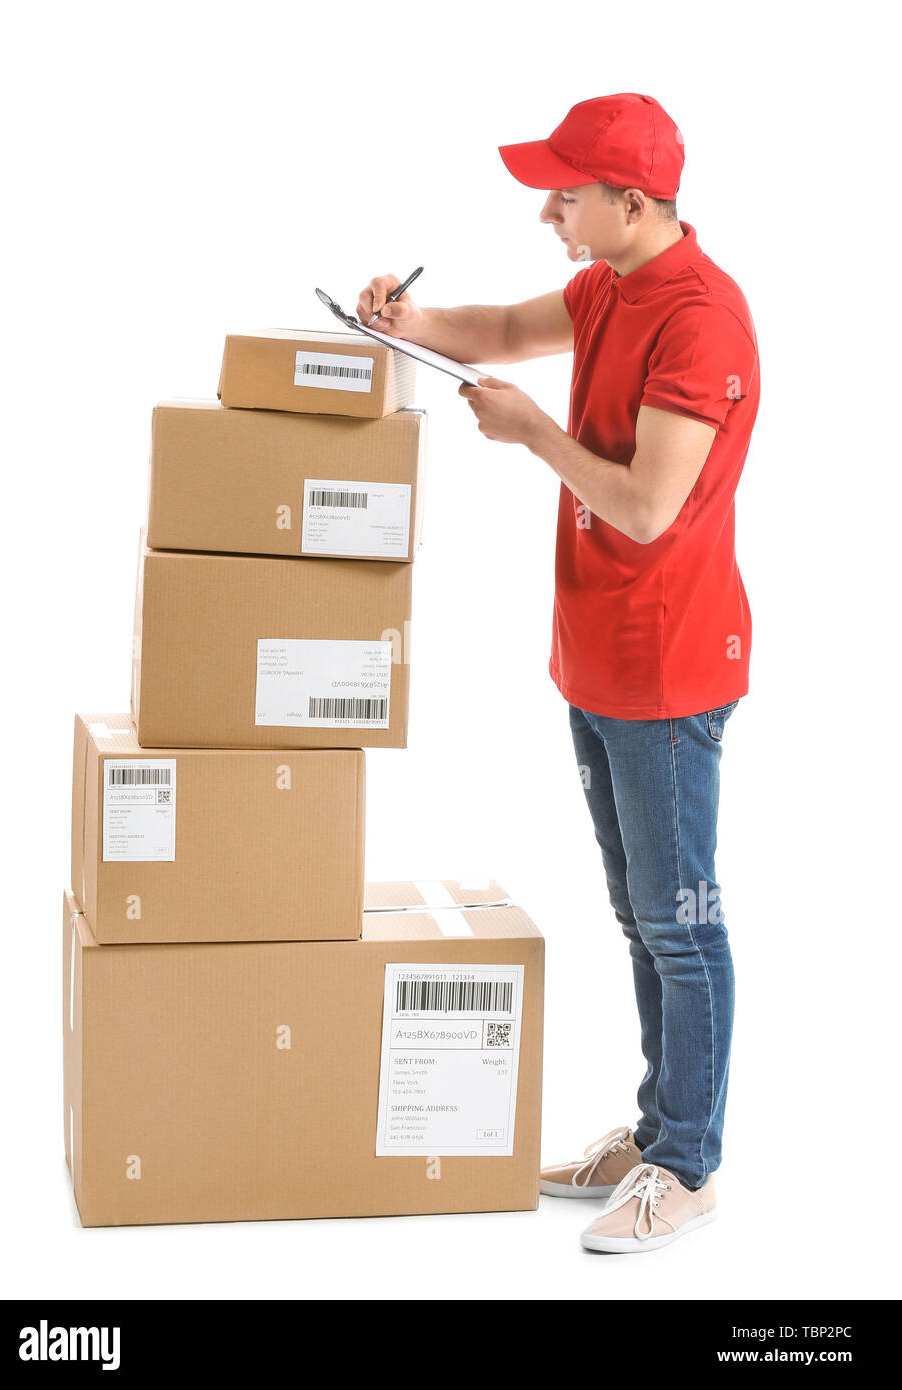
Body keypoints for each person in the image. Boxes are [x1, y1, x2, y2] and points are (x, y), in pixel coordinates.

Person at [357, 92, 759, 1254]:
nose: (548, 210)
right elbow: (488, 332)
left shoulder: (704, 321)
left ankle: (688, 1165)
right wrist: (410, 314)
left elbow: (641, 508)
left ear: (634, 203)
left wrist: (533, 433)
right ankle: (658, 1127)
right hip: (597, 656)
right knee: (642, 919)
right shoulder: (609, 284)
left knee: (682, 922)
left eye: (567, 193)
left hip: (672, 671)